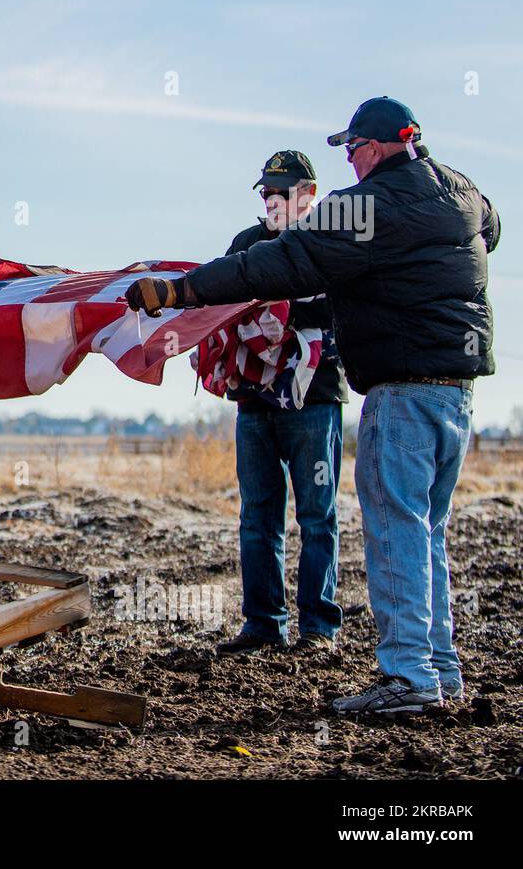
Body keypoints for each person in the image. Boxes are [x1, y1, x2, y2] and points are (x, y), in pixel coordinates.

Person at [127, 97, 500, 714]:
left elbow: (282, 263)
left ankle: (408, 677)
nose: (350, 161)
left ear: (376, 148)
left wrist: (180, 290)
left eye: (352, 148)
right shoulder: (461, 190)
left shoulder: (365, 207)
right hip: (455, 394)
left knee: (395, 530)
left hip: (402, 391)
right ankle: (439, 669)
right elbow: (492, 224)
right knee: (427, 531)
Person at [212, 151, 347, 657]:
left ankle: (318, 630)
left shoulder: (333, 243)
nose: (271, 200)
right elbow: (217, 296)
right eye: (266, 193)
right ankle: (263, 624)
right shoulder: (245, 246)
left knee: (317, 516)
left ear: (308, 196)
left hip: (314, 402)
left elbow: (341, 306)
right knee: (257, 516)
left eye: (282, 192)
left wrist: (280, 309)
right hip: (253, 405)